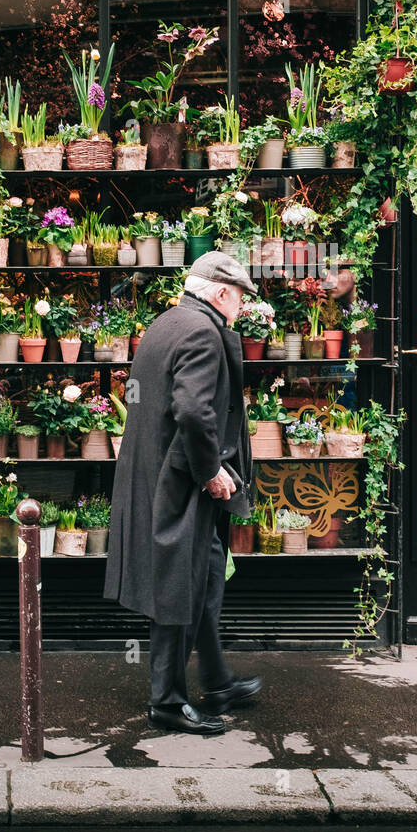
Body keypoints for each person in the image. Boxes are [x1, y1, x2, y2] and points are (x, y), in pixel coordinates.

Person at [103, 251, 262, 736]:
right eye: (238, 299)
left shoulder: (166, 322)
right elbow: (193, 412)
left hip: (159, 479)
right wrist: (211, 470)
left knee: (207, 577)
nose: (240, 308)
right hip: (181, 485)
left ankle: (216, 681)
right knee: (178, 589)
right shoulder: (201, 331)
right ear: (219, 292)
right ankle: (167, 704)